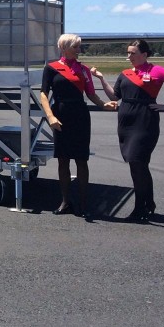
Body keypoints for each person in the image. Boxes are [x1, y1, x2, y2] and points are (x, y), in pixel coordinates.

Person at [93, 39, 164, 220]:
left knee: (138, 161)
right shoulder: (125, 73)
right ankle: (148, 202)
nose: (129, 56)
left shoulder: (157, 70)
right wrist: (101, 78)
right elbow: (115, 95)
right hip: (126, 122)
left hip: (145, 121)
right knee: (137, 165)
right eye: (128, 53)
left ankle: (140, 207)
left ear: (144, 54)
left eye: (133, 53)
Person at [39, 33, 116, 216]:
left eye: (80, 47)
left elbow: (90, 93)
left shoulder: (83, 69)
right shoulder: (51, 68)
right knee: (63, 159)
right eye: (76, 47)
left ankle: (83, 203)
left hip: (80, 115)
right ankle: (65, 202)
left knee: (81, 160)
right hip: (60, 114)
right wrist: (50, 116)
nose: (79, 50)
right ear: (64, 47)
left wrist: (103, 104)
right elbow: (43, 94)